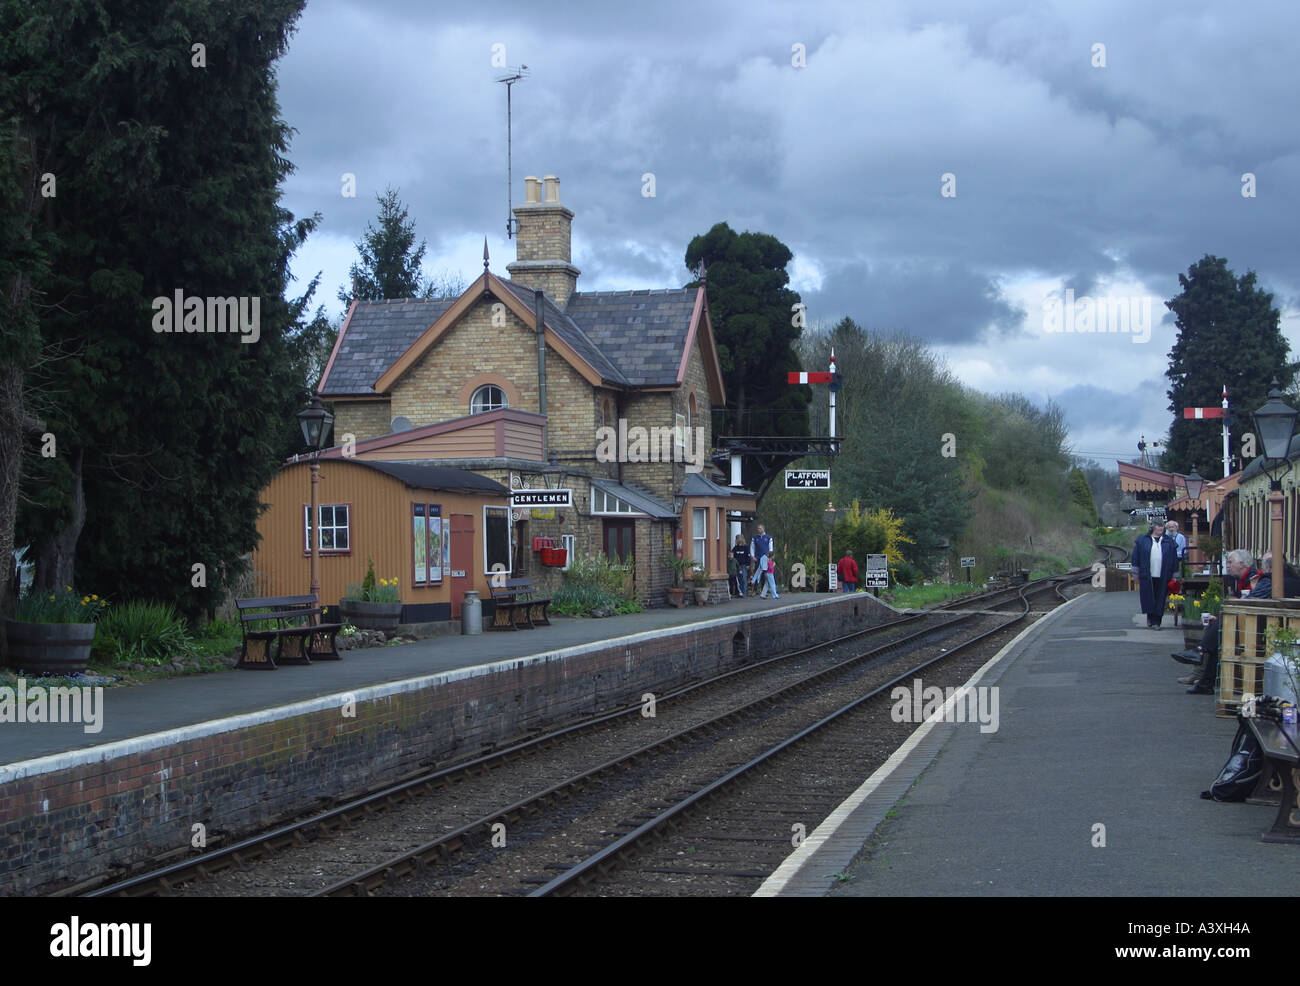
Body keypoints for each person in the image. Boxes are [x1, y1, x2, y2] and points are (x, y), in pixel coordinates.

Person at [1133, 520, 1178, 628]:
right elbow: (1136, 557)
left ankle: (1157, 621)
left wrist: (1175, 574)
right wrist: (1135, 572)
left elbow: (1174, 559)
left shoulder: (1168, 541)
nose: (1160, 529)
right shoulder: (1143, 540)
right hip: (1147, 574)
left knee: (1161, 598)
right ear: (1153, 528)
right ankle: (1150, 617)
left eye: (1162, 527)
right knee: (1148, 597)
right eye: (1158, 527)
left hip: (1164, 574)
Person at [750, 524, 773, 590]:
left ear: (763, 529)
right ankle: (755, 589)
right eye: (758, 528)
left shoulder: (768, 538)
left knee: (765, 574)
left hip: (765, 559)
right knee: (756, 574)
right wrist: (752, 556)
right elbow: (752, 547)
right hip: (757, 558)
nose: (758, 529)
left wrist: (769, 557)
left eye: (760, 528)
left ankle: (764, 590)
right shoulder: (755, 538)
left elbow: (770, 548)